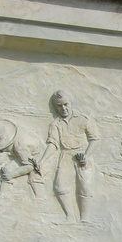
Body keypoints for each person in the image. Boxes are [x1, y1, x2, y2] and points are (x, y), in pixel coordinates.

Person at [39, 90, 99, 221]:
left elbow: (94, 139)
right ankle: (70, 216)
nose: (63, 108)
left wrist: (86, 156)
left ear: (71, 104)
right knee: (60, 187)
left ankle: (85, 218)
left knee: (85, 187)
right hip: (66, 156)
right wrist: (42, 161)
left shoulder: (84, 120)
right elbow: (53, 144)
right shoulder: (55, 124)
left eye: (65, 104)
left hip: (83, 155)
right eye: (59, 106)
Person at [0, 119, 47, 197]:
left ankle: (40, 199)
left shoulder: (20, 147)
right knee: (6, 170)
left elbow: (29, 166)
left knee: (35, 177)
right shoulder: (6, 140)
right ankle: (4, 196)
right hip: (20, 155)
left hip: (37, 155)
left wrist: (12, 174)